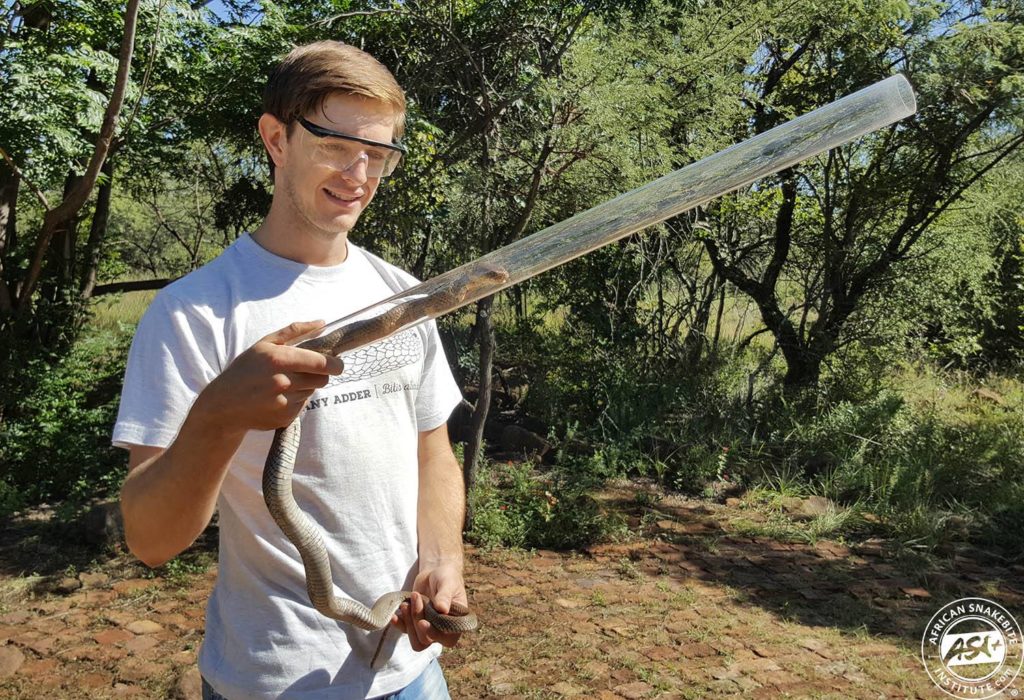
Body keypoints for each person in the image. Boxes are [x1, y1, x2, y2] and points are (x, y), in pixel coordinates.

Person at [115, 40, 468, 699]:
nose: (359, 173)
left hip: (411, 670)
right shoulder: (195, 312)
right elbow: (150, 539)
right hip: (273, 680)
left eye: (380, 153)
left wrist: (442, 561)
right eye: (336, 144)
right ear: (276, 139)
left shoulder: (403, 296)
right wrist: (220, 414)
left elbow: (433, 454)